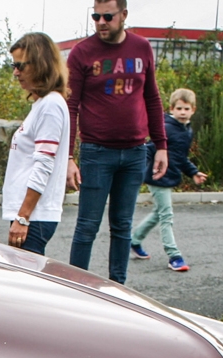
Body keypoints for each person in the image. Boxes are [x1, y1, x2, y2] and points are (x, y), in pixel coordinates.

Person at [64, 0, 168, 284]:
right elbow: (70, 106)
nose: (100, 22)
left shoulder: (142, 48)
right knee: (87, 227)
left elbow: (152, 98)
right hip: (96, 152)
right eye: (95, 16)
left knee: (122, 226)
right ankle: (76, 289)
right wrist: (69, 158)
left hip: (135, 151)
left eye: (107, 16)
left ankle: (118, 291)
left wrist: (161, 145)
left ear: (123, 15)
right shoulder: (82, 53)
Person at [3, 33, 70, 255]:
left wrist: (23, 216)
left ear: (40, 64)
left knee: (25, 283)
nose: (16, 72)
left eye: (21, 66)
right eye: (14, 65)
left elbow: (44, 164)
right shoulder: (43, 104)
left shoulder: (51, 105)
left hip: (35, 215)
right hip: (30, 214)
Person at [130, 87, 208, 271]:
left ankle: (134, 240)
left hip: (170, 175)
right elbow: (149, 149)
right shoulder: (166, 128)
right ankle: (174, 256)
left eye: (186, 109)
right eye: (179, 108)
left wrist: (194, 172)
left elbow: (180, 157)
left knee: (159, 213)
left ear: (193, 110)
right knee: (167, 216)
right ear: (171, 108)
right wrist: (136, 170)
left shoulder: (186, 130)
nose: (182, 112)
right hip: (157, 176)